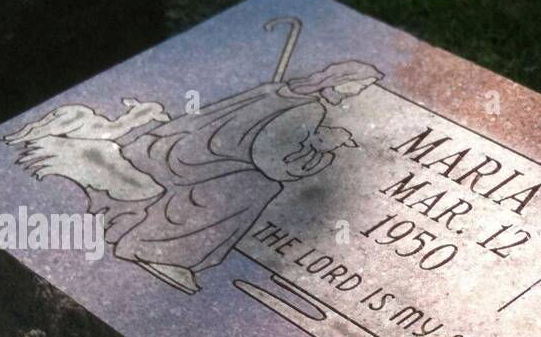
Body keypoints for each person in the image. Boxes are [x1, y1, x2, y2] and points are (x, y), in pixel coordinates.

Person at [92, 61, 382, 293]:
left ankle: (139, 235)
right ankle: (164, 254)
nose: (356, 92)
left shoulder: (281, 89)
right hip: (207, 163)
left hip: (181, 147)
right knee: (258, 185)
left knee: (253, 181)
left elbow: (263, 133)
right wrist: (325, 150)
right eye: (358, 85)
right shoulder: (310, 108)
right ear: (340, 81)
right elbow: (274, 163)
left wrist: (314, 139)